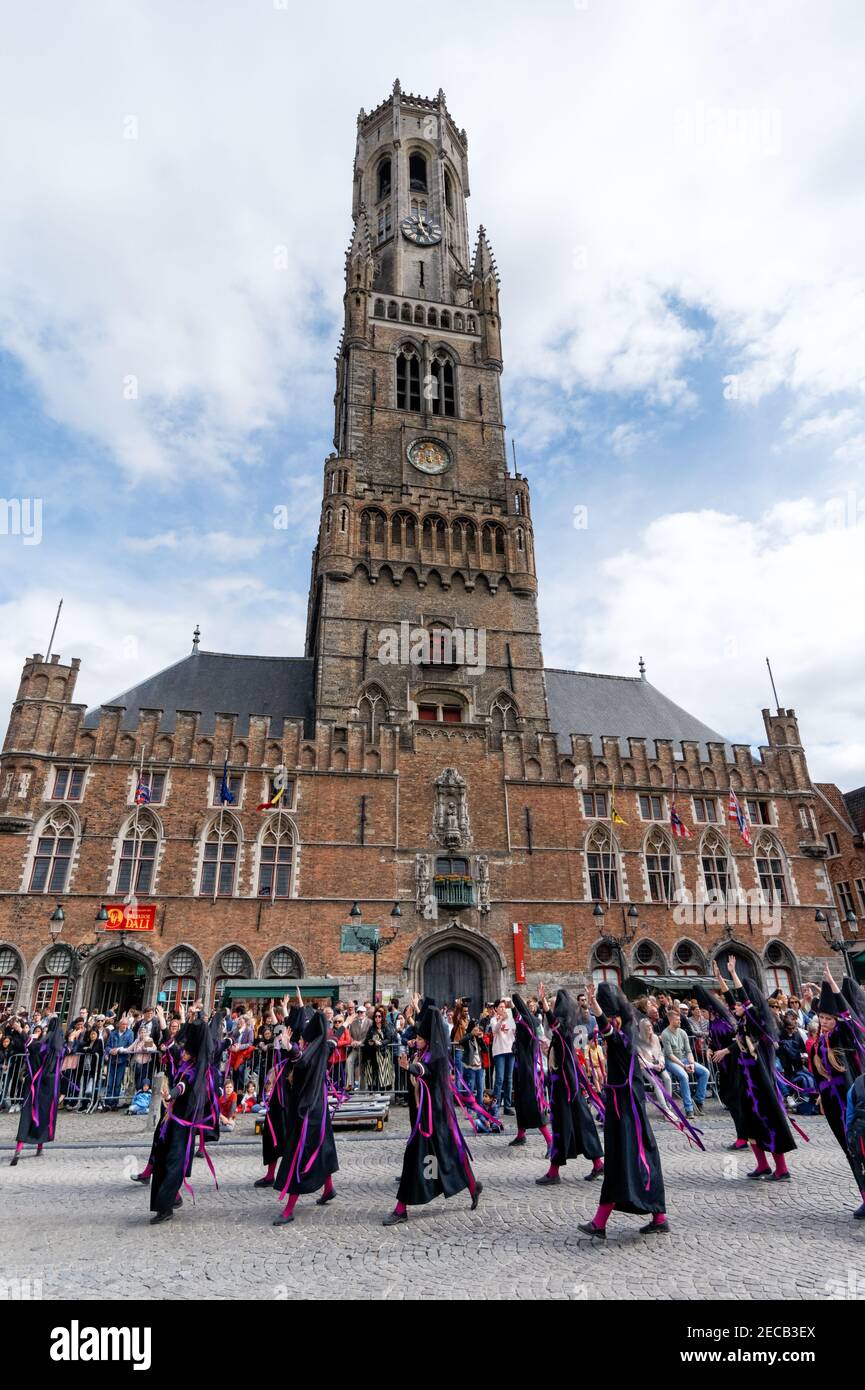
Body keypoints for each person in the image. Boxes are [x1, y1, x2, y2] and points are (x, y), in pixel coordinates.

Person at [578, 983, 669, 1239]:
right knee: (636, 1160)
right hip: (626, 1108)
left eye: (611, 1017)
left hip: (625, 1112)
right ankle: (658, 1216)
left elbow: (609, 1033)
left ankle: (599, 1222)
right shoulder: (628, 1031)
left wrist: (597, 1009)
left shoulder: (622, 1035)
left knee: (621, 1163)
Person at [383, 997, 482, 1226]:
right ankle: (472, 1185)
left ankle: (401, 1208)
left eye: (418, 1038)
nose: (415, 1041)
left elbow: (426, 1071)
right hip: (427, 1117)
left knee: (416, 1159)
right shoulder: (427, 1050)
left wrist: (412, 1068)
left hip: (432, 1118)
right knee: (447, 1154)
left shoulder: (435, 1055)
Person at [725, 956, 798, 1182]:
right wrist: (721, 978)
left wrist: (734, 973)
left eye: (739, 1005)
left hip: (760, 1082)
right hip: (746, 1082)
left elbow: (744, 1002)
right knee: (750, 1124)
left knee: (769, 1121)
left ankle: (782, 1168)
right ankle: (762, 1165)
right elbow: (732, 1001)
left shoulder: (756, 1020)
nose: (735, 1007)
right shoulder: (743, 1023)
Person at [149, 1012, 224, 1225]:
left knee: (174, 1162)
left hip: (183, 1126)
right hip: (171, 1121)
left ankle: (165, 1207)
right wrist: (165, 1020)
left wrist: (171, 1094)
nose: (182, 1053)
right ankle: (172, 1197)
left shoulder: (197, 1073)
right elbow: (171, 1047)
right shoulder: (184, 1064)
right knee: (163, 1160)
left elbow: (183, 1086)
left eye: (186, 1052)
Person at [273, 1010, 340, 1226]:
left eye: (302, 1038)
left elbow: (300, 1059)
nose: (300, 1041)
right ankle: (328, 1188)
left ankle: (289, 1207)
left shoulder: (311, 1053)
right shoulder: (324, 1047)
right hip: (318, 1109)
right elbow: (333, 1040)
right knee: (323, 1149)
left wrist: (288, 1046)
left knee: (298, 1157)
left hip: (310, 1112)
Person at [536, 984, 603, 1184]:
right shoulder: (568, 1026)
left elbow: (556, 1027)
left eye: (556, 1004)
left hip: (565, 1085)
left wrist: (545, 1007)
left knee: (561, 1125)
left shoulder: (564, 1025)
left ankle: (554, 1171)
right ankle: (598, 1163)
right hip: (569, 1083)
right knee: (581, 1122)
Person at [810, 969, 864, 1212]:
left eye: (829, 1018)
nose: (824, 1022)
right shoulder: (819, 1042)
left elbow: (847, 1018)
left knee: (861, 1147)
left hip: (851, 1102)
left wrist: (833, 985)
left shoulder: (844, 1037)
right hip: (833, 1104)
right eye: (821, 1017)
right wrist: (820, 1095)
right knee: (848, 1150)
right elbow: (818, 1073)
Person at [695, 977, 749, 1150]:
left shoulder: (726, 1021)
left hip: (737, 1065)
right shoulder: (712, 1024)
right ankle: (743, 1135)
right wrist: (711, 1048)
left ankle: (744, 1136)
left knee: (738, 1101)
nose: (702, 1015)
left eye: (703, 1011)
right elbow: (714, 1041)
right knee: (731, 1101)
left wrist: (725, 1051)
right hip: (724, 1067)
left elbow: (741, 1040)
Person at [10, 1015, 64, 1166]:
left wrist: (20, 1029)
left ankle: (19, 1149)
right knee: (45, 1115)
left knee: (28, 1114)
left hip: (36, 1083)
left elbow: (29, 1043)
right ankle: (40, 1147)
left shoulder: (42, 1046)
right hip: (51, 1085)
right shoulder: (60, 1049)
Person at [509, 992, 553, 1151]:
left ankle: (550, 1141)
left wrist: (513, 1003)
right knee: (520, 1103)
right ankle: (521, 1135)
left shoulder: (528, 1022)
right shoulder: (530, 1021)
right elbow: (518, 1019)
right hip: (520, 1069)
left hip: (529, 1071)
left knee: (532, 1105)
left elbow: (519, 1019)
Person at [660, 1005, 709, 1117]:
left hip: (684, 1059)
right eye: (678, 1020)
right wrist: (683, 1066)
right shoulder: (665, 1034)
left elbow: (688, 1051)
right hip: (671, 1061)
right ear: (671, 1020)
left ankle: (698, 1101)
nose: (680, 1022)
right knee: (684, 1076)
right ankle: (689, 1108)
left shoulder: (683, 1033)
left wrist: (691, 1063)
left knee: (705, 1072)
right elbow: (670, 1055)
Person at [490, 999, 516, 1116]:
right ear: (496, 1009)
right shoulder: (493, 1020)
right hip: (499, 1051)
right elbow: (495, 1030)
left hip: (510, 1050)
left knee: (509, 1079)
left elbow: (514, 1031)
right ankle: (495, 1105)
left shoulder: (510, 1019)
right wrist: (501, 1019)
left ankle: (507, 1105)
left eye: (504, 1007)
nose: (503, 1009)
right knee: (499, 1079)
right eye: (500, 1007)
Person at [361, 1006, 395, 1091]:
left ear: (382, 1017)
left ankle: (382, 1092)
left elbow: (389, 1039)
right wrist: (370, 1042)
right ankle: (373, 1091)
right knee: (372, 1074)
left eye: (379, 1016)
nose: (377, 1018)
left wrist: (381, 1042)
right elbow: (367, 1039)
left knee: (383, 1074)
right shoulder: (372, 1028)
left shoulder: (385, 1027)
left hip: (383, 1054)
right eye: (375, 1016)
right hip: (372, 1054)